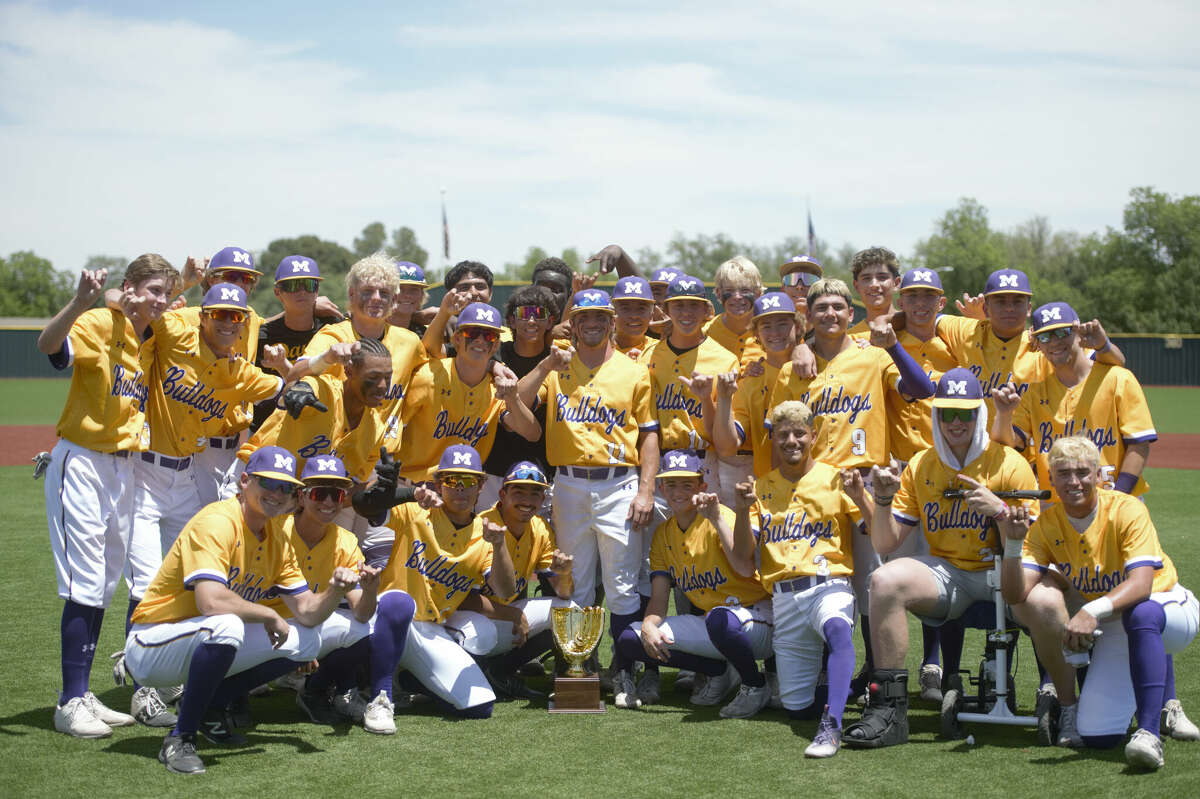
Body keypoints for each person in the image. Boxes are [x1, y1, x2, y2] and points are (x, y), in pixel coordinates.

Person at [123, 446, 360, 774]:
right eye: (268, 483)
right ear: (244, 480)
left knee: (306, 639)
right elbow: (211, 601)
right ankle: (181, 737)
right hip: (153, 643)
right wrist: (269, 614)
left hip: (201, 636)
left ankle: (212, 706)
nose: (277, 494)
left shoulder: (277, 535)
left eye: (286, 487)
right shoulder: (218, 521)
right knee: (228, 625)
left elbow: (307, 611)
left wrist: (335, 591)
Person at [841, 369, 1038, 748]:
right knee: (884, 580)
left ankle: (1059, 697)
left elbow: (1031, 539)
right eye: (948, 413)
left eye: (966, 413)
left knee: (1048, 599)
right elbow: (885, 543)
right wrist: (881, 499)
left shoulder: (1009, 462)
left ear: (980, 413)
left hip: (1006, 571)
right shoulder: (922, 465)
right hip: (951, 573)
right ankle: (890, 711)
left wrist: (998, 510)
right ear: (936, 416)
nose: (957, 422)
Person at [120, 282, 289, 724]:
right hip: (142, 473)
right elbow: (133, 307)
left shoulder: (236, 368)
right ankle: (142, 689)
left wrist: (299, 372)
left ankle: (172, 674)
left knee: (187, 586)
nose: (228, 322)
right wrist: (184, 282)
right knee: (143, 585)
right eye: (218, 314)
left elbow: (278, 383)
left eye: (236, 317)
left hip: (188, 475)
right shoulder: (176, 330)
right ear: (203, 315)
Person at [768, 277, 936, 694]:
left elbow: (921, 389)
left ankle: (878, 674)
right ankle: (829, 669)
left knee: (871, 584)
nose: (830, 314)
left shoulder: (873, 356)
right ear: (808, 315)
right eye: (821, 307)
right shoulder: (794, 368)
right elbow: (781, 436)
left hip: (863, 481)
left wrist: (893, 345)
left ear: (852, 313)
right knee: (823, 580)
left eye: (838, 307)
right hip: (814, 490)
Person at [37, 256, 179, 738]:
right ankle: (69, 700)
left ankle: (81, 692)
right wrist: (81, 300)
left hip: (123, 468)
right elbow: (48, 346)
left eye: (166, 292)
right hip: (83, 460)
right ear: (130, 287)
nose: (159, 300)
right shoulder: (100, 320)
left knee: (102, 583)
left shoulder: (144, 339)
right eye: (152, 289)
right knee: (84, 582)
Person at [998, 436, 1199, 770]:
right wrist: (1014, 546)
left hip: (1168, 607)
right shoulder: (1047, 524)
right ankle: (1143, 689)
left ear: (1097, 473)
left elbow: (1142, 584)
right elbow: (1015, 595)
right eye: (1063, 473)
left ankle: (1151, 730)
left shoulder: (1125, 507)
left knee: (1142, 614)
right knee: (1097, 736)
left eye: (1082, 472)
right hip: (1117, 621)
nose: (1073, 481)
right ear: (1051, 477)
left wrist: (1090, 610)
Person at [517, 288, 660, 708]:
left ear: (612, 322)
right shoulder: (558, 365)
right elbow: (519, 401)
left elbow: (649, 434)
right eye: (584, 316)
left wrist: (646, 489)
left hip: (619, 483)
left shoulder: (634, 371)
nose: (593, 322)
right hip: (569, 482)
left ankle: (625, 671)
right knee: (575, 585)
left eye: (601, 316)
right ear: (573, 323)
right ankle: (577, 670)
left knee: (621, 587)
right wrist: (545, 364)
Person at [727, 401, 874, 757]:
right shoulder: (761, 487)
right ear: (773, 441)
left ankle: (833, 725)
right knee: (795, 707)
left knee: (839, 629)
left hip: (828, 583)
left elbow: (874, 529)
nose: (791, 441)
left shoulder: (836, 477)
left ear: (813, 436)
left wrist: (863, 497)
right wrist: (743, 509)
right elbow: (745, 552)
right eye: (783, 435)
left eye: (799, 433)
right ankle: (860, 691)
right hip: (785, 597)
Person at [363, 445, 516, 728]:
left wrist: (500, 545)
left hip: (430, 629)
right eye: (451, 480)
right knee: (399, 602)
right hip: (388, 618)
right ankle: (380, 697)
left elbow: (505, 592)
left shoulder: (485, 534)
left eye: (468, 481)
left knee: (480, 706)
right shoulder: (417, 512)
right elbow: (366, 506)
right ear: (438, 484)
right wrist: (401, 490)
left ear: (482, 485)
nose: (460, 488)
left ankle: (412, 680)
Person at [615, 450, 773, 718]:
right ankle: (720, 671)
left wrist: (717, 519)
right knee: (630, 639)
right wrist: (648, 626)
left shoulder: (721, 515)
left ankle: (754, 685)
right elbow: (659, 600)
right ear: (661, 488)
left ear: (702, 486)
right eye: (672, 484)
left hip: (758, 617)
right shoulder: (663, 534)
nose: (679, 491)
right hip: (715, 622)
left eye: (687, 484)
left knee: (720, 620)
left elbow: (744, 566)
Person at [241, 339, 394, 561]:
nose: (382, 386)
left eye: (387, 378)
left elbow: (349, 490)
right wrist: (299, 388)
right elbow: (297, 381)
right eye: (373, 377)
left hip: (298, 502)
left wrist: (375, 493)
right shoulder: (324, 390)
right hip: (257, 483)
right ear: (349, 371)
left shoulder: (375, 430)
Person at [991, 301, 1157, 500]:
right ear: (1038, 344)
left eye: (1062, 332)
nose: (1054, 342)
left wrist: (1120, 498)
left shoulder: (1118, 378)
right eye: (1045, 336)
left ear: (1079, 333)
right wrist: (1004, 414)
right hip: (1058, 508)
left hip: (1116, 500)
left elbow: (1139, 444)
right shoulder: (1034, 393)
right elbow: (1009, 444)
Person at [271, 455, 380, 726]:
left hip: (308, 623)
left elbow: (363, 615)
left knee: (368, 629)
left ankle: (316, 690)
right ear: (302, 495)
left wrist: (369, 591)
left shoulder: (346, 541)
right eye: (320, 493)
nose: (329, 502)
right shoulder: (273, 530)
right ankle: (226, 700)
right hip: (266, 625)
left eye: (336, 494)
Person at [454, 461, 576, 700]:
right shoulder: (480, 526)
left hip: (503, 616)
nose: (528, 500)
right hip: (466, 621)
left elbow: (563, 594)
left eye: (535, 493)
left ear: (543, 499)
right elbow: (462, 600)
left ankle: (501, 672)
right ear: (502, 494)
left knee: (569, 612)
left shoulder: (540, 528)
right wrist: (513, 616)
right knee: (483, 635)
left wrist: (564, 575)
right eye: (519, 491)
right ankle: (473, 674)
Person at [937, 268, 1125, 417]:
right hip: (975, 454)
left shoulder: (1045, 344)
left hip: (1025, 454)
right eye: (1001, 301)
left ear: (1028, 308)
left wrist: (1103, 345)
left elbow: (1115, 362)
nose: (1009, 308)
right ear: (986, 307)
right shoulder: (966, 331)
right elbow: (922, 317)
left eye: (1017, 301)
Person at [395, 302, 541, 487]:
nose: (480, 340)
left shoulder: (495, 388)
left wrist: (514, 398)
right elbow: (392, 428)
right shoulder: (428, 376)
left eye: (488, 335)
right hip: (413, 485)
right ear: (457, 339)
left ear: (495, 345)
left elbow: (532, 433)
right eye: (471, 334)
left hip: (462, 489)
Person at [644, 274, 739, 502]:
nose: (686, 312)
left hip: (703, 462)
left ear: (707, 311)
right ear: (666, 309)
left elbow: (725, 441)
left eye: (694, 305)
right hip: (657, 462)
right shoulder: (648, 357)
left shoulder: (725, 360)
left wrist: (707, 400)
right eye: (678, 305)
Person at [478, 286, 560, 510]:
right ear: (511, 322)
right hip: (495, 468)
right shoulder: (496, 354)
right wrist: (491, 364)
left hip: (542, 472)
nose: (531, 320)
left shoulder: (556, 358)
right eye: (524, 314)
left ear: (550, 321)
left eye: (539, 314)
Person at [712, 291, 798, 488]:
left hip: (819, 482)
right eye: (766, 326)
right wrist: (724, 400)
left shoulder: (816, 368)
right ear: (756, 334)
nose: (775, 332)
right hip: (772, 485)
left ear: (798, 326)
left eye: (782, 323)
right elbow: (727, 447)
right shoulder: (751, 382)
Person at [250, 255, 343, 433]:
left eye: (308, 285)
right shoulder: (262, 338)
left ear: (317, 290)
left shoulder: (333, 329)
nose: (302, 292)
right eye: (293, 286)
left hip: (319, 430)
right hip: (268, 432)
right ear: (278, 292)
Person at [705, 256, 765, 368]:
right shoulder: (704, 333)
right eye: (729, 290)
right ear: (718, 293)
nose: (737, 296)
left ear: (758, 293)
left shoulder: (771, 332)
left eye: (745, 290)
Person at [846, 247, 901, 337]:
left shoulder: (915, 327)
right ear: (856, 286)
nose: (874, 285)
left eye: (882, 277)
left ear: (896, 283)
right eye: (866, 278)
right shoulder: (849, 338)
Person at [612, 275, 657, 358]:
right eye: (625, 308)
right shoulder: (599, 350)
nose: (634, 316)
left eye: (641, 308)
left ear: (651, 316)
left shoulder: (660, 351)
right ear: (613, 313)